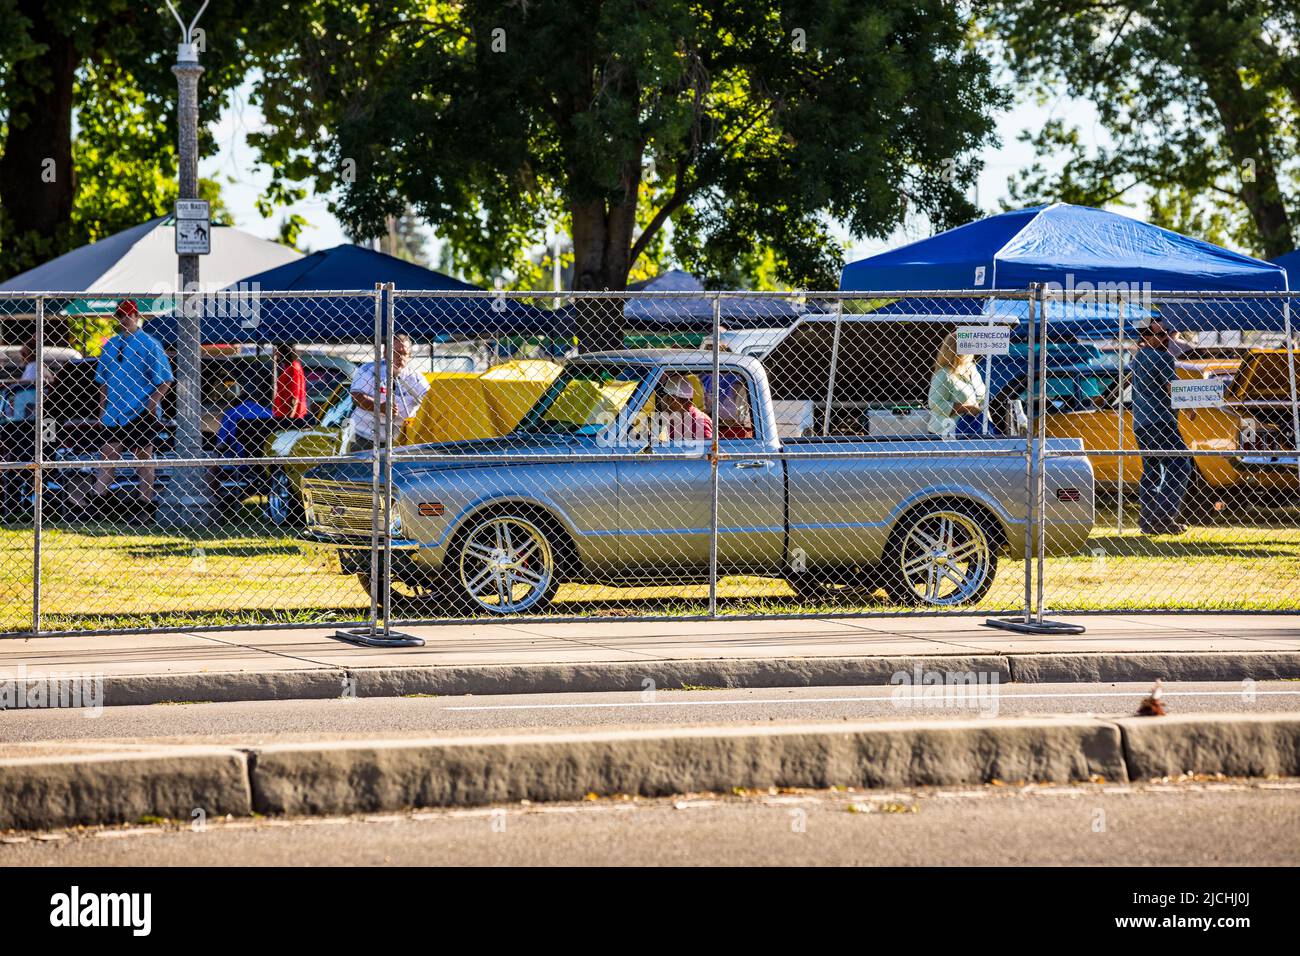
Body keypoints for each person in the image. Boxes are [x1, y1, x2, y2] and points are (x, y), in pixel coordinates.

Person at [92, 299, 174, 523]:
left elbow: (165, 380)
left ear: (137, 315)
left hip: (139, 411)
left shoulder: (150, 343)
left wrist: (151, 405)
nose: (124, 319)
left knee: (143, 457)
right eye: (120, 315)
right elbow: (103, 381)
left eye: (128, 314)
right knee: (108, 455)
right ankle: (97, 505)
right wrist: (102, 410)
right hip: (114, 412)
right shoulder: (111, 344)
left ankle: (144, 507)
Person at [1129, 316, 1192, 535]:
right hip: (1160, 421)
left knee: (1152, 471)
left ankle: (1148, 521)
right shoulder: (1161, 357)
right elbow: (1171, 386)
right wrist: (1191, 406)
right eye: (1159, 334)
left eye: (1166, 332)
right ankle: (1163, 518)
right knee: (1180, 465)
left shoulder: (1138, 358)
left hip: (1141, 423)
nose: (1165, 337)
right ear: (1146, 337)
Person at [349, 334, 428, 451]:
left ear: (409, 355)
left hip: (401, 440)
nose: (399, 357)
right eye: (395, 353)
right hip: (366, 438)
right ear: (385, 353)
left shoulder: (415, 377)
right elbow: (356, 397)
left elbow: (429, 399)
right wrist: (380, 407)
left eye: (404, 354)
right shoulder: (369, 370)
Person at [927, 331, 986, 438]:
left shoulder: (973, 369)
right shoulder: (944, 374)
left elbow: (982, 396)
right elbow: (934, 403)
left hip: (973, 428)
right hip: (946, 433)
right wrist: (965, 408)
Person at [698, 332, 753, 438]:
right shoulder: (706, 377)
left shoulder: (737, 380)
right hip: (713, 425)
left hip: (733, 429)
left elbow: (739, 414)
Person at [657, 372, 712, 443]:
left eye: (662, 396)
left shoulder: (699, 424)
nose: (660, 400)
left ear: (673, 400)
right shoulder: (674, 418)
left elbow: (709, 451)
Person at [271, 342, 309, 423]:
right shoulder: (290, 367)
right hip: (285, 415)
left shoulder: (293, 368)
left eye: (277, 351)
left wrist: (289, 420)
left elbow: (294, 396)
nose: (275, 354)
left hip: (289, 417)